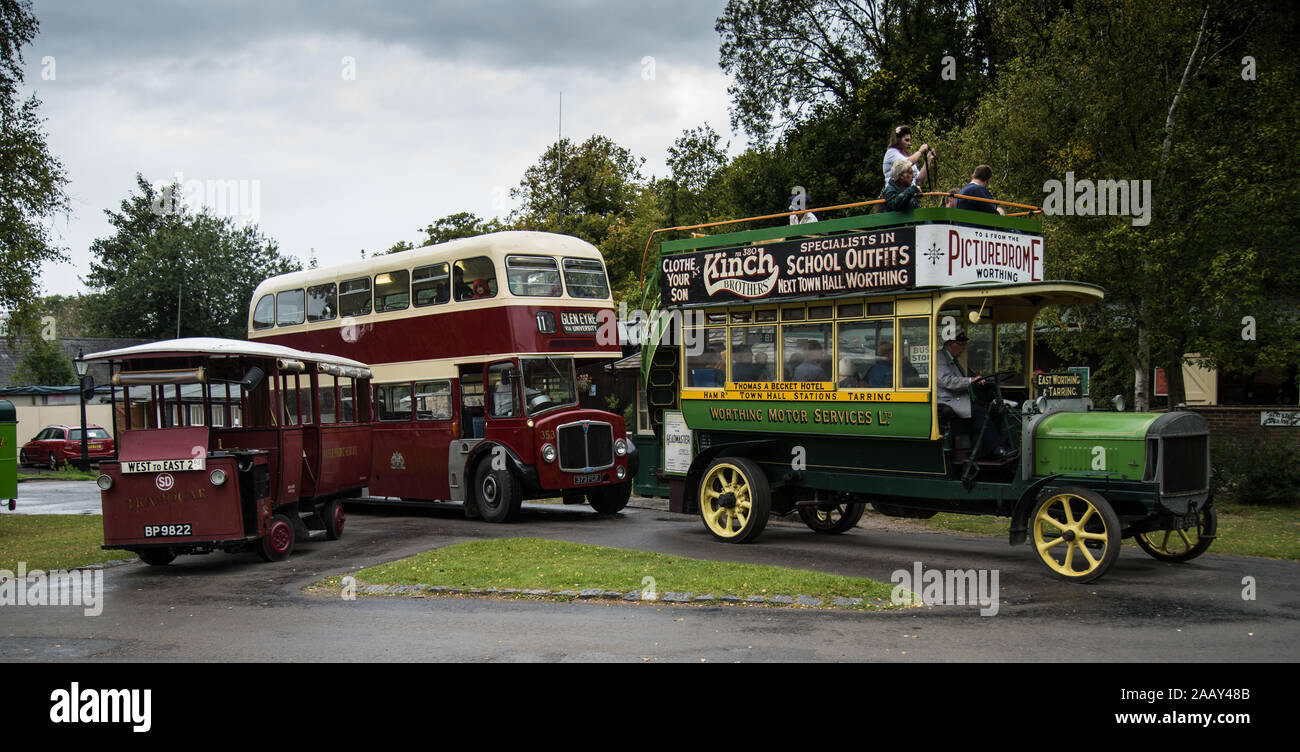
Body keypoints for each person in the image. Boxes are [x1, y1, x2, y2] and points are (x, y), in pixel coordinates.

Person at [936, 332, 1005, 458]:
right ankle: (996, 448)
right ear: (950, 344)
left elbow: (963, 379)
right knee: (979, 412)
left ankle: (988, 449)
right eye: (961, 345)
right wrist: (970, 381)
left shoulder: (954, 360)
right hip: (948, 400)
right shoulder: (940, 358)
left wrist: (975, 382)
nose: (963, 349)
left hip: (961, 398)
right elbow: (947, 381)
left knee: (994, 410)